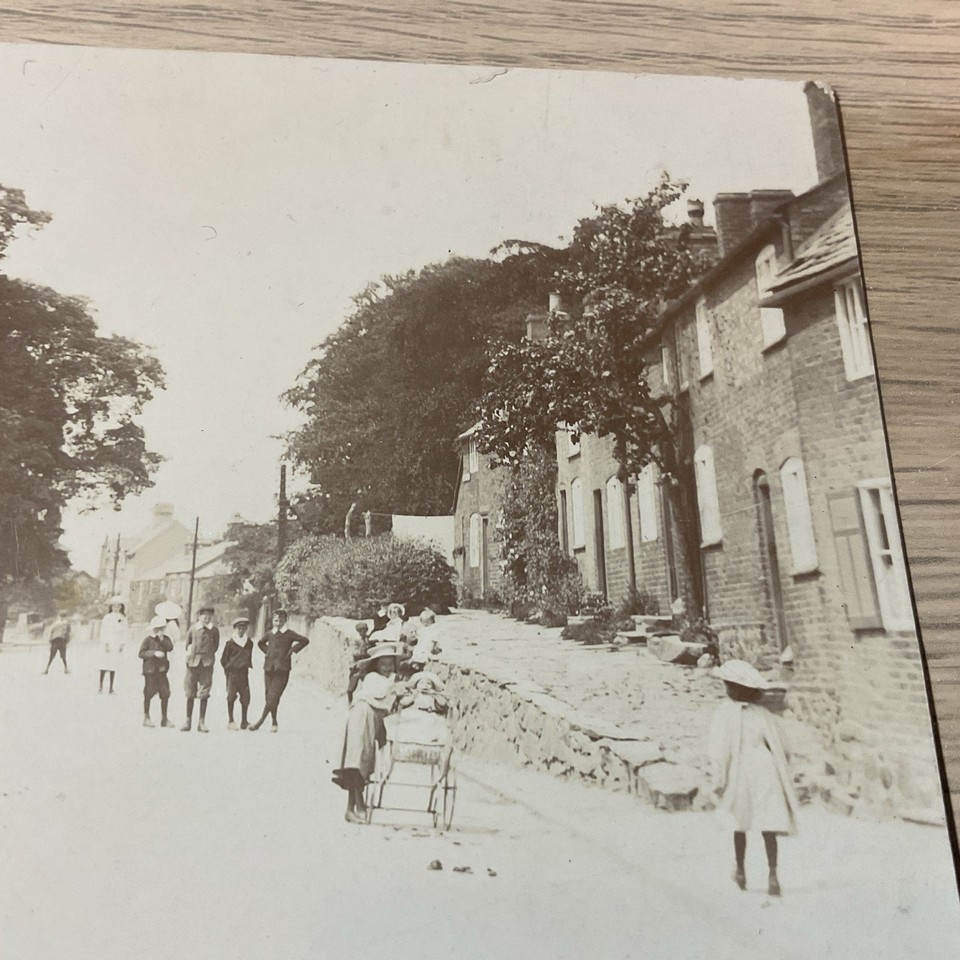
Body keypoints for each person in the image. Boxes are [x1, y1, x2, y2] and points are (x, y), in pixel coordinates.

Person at [708, 659, 798, 898]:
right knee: (768, 821)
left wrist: (718, 778)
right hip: (765, 768)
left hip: (741, 769)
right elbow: (782, 746)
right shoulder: (763, 715)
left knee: (740, 822)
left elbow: (719, 750)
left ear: (733, 689)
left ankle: (741, 871)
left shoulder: (724, 714)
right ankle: (773, 875)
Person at [333, 643, 403, 823]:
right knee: (358, 760)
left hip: (374, 720)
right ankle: (359, 805)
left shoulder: (393, 680)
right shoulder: (373, 678)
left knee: (361, 760)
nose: (387, 668)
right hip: (362, 716)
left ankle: (351, 808)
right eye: (383, 664)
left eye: (390, 664)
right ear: (376, 665)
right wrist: (395, 686)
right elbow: (381, 694)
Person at [248, 610, 309, 732]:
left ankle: (259, 722)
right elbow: (260, 643)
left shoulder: (289, 634)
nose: (278, 623)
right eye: (276, 620)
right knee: (269, 696)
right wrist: (268, 653)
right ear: (273, 621)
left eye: (281, 620)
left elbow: (305, 640)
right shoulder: (270, 633)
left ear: (285, 620)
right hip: (268, 668)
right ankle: (274, 722)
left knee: (273, 696)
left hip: (282, 669)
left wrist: (292, 650)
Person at [182, 606, 220, 733]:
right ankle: (188, 721)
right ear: (199, 617)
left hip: (206, 664)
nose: (207, 618)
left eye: (209, 615)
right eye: (204, 615)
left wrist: (207, 656)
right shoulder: (193, 629)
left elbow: (215, 646)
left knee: (204, 692)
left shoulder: (214, 630)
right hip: (192, 663)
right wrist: (191, 656)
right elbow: (188, 644)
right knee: (190, 691)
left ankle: (201, 722)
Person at [139, 616, 174, 728]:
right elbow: (141, 653)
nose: (159, 631)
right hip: (150, 671)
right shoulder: (148, 640)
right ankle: (146, 717)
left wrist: (162, 639)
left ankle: (164, 719)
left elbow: (170, 647)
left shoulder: (165, 639)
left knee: (165, 693)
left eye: (162, 628)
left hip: (162, 670)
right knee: (148, 693)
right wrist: (153, 653)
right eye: (157, 628)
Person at [220, 616, 254, 729]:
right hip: (232, 674)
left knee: (245, 697)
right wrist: (229, 670)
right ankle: (231, 721)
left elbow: (248, 656)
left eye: (244, 628)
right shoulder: (230, 643)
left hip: (244, 674)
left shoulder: (249, 643)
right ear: (235, 628)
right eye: (239, 628)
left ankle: (244, 721)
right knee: (231, 696)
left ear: (246, 629)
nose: (241, 630)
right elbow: (223, 660)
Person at [99, 596, 128, 692]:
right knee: (104, 663)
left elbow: (125, 631)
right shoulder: (107, 617)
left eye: (118, 606)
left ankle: (111, 687)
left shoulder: (123, 618)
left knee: (113, 665)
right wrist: (106, 643)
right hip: (108, 641)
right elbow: (104, 631)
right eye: (114, 606)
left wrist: (122, 644)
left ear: (121, 607)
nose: (116, 608)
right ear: (111, 607)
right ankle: (101, 685)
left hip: (117, 642)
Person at [406, 608, 442, 675]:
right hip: (421, 644)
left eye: (428, 622)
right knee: (416, 651)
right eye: (424, 622)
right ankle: (415, 664)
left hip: (429, 644)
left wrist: (433, 647)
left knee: (426, 653)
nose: (425, 624)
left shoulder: (433, 629)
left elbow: (434, 640)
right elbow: (418, 638)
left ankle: (423, 664)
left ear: (432, 621)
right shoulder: (421, 629)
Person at [42, 610, 71, 675]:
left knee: (53, 656)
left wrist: (50, 640)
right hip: (60, 641)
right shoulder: (66, 624)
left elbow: (51, 631)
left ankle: (47, 669)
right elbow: (68, 633)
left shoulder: (56, 623)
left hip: (56, 640)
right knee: (62, 656)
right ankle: (65, 669)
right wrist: (67, 641)